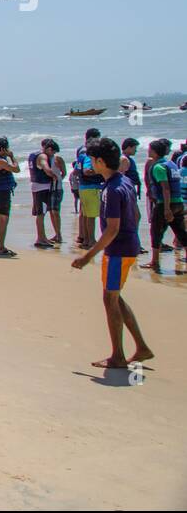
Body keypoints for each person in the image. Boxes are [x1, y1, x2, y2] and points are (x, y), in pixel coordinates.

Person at [71, 137, 153, 370]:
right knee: (114, 297)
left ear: (99, 162)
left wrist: (88, 256)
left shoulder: (112, 190)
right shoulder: (125, 181)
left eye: (92, 161)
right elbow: (136, 216)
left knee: (110, 299)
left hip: (117, 250)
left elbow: (112, 228)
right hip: (129, 246)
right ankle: (142, 348)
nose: (91, 165)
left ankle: (118, 356)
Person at [141, 138, 186, 274]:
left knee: (156, 231)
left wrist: (166, 208)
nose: (148, 151)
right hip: (179, 202)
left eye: (150, 149)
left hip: (166, 204)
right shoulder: (171, 164)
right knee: (180, 232)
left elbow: (165, 188)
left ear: (154, 152)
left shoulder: (158, 167)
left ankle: (154, 262)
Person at [28, 140, 60, 250]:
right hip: (42, 188)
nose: (53, 155)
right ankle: (41, 239)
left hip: (36, 186)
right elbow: (46, 169)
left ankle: (42, 237)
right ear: (49, 149)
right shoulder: (42, 156)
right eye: (53, 152)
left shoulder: (33, 154)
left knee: (40, 214)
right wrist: (54, 176)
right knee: (41, 214)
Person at [75, 127, 103, 249]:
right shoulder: (87, 154)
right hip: (91, 187)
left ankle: (86, 239)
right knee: (91, 216)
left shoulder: (81, 152)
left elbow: (76, 169)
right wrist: (100, 171)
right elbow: (86, 171)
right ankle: (91, 240)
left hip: (83, 186)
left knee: (86, 214)